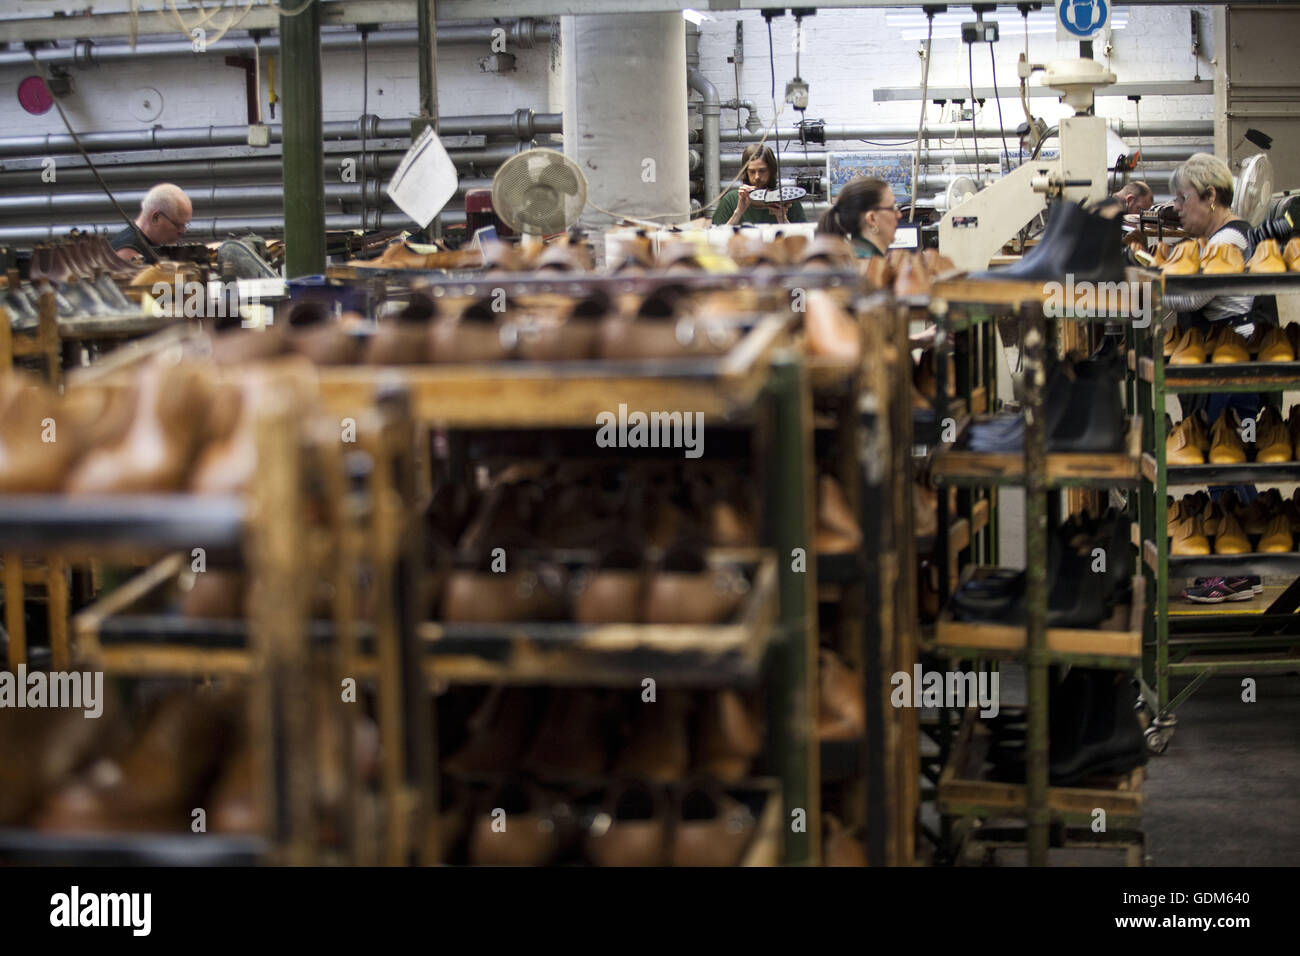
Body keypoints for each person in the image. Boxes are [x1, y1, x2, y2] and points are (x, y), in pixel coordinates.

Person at [712, 145, 806, 226]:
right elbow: (715, 239)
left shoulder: (787, 198)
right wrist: (738, 212)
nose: (757, 177)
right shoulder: (731, 200)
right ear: (746, 172)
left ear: (771, 171)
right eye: (752, 172)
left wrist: (781, 218)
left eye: (762, 171)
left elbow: (803, 241)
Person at [815, 176, 899, 259]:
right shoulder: (870, 267)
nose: (899, 215)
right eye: (892, 208)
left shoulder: (851, 261)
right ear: (872, 219)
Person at [111, 183, 193, 261]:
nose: (182, 231)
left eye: (185, 225)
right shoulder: (128, 253)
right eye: (178, 225)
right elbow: (170, 276)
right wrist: (180, 273)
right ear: (156, 218)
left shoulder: (153, 245)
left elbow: (175, 275)